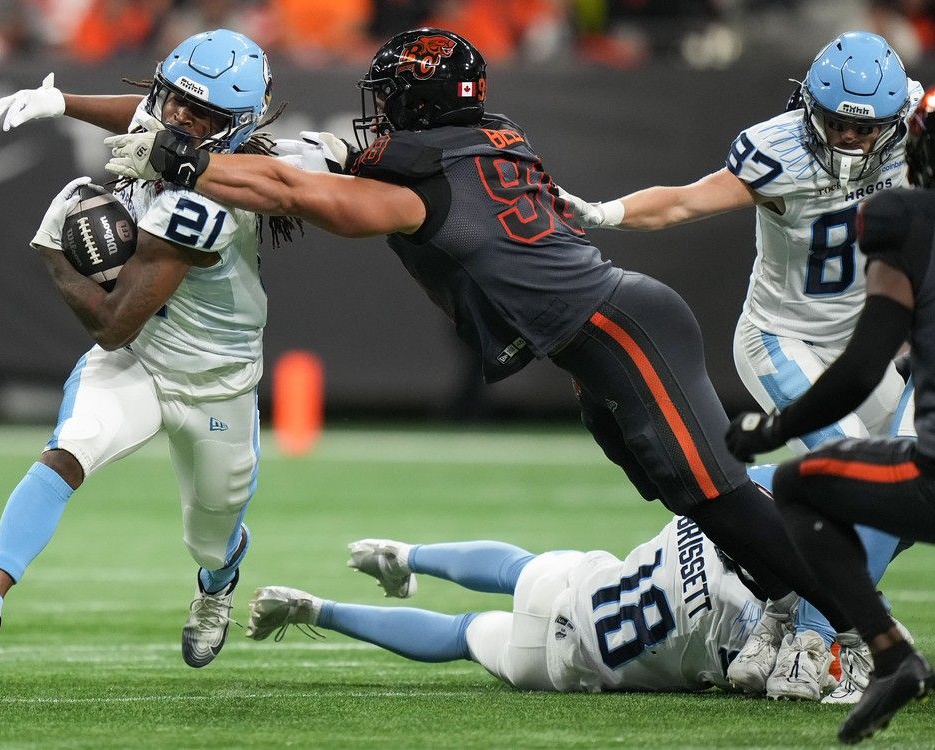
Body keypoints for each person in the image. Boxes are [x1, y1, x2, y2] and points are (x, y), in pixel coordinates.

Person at [104, 27, 859, 674]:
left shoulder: (421, 178)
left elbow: (301, 195)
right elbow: (309, 171)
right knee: (684, 495)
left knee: (714, 491)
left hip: (619, 329)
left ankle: (857, 629)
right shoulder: (481, 137)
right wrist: (79, 107)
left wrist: (186, 163)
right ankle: (786, 604)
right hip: (599, 336)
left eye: (393, 99)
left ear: (419, 106)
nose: (382, 114)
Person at [556, 30, 923, 703]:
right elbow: (686, 200)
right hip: (783, 339)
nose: (847, 140)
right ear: (809, 108)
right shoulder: (777, 150)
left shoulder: (918, 128)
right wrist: (605, 212)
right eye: (836, 123)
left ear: (895, 119)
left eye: (863, 129)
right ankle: (828, 642)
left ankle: (777, 609)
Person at [0, 29, 279, 671]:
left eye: (202, 114)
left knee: (210, 538)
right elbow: (141, 117)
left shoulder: (208, 203)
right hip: (143, 362)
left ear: (234, 128)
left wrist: (54, 253)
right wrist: (59, 102)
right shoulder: (179, 134)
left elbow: (113, 323)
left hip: (216, 383)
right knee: (67, 452)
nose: (179, 118)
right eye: (175, 100)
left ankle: (217, 586)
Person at [724, 105, 935, 743]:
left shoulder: (907, 219)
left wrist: (772, 428)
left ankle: (835, 640)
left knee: (806, 485)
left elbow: (862, 366)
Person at [247, 511, 769, 693]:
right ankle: (314, 610)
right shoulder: (750, 632)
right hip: (561, 666)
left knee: (516, 568)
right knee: (462, 635)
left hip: (572, 589)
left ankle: (405, 555)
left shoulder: (713, 527)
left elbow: (760, 492)